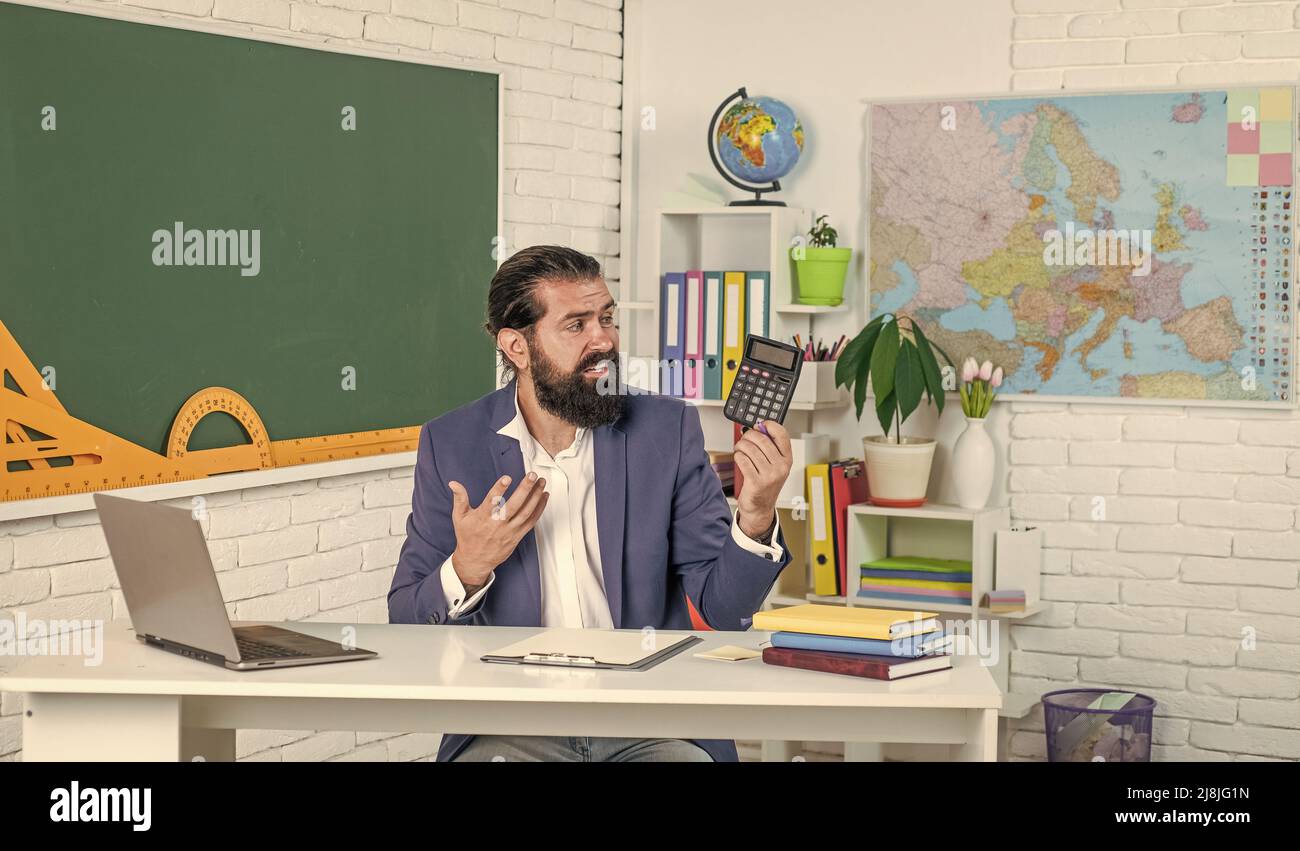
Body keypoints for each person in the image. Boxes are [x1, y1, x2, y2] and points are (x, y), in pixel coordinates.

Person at [388, 245, 794, 762]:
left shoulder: (666, 430)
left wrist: (755, 516)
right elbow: (405, 619)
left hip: (651, 718)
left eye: (606, 318)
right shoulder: (451, 443)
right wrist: (468, 567)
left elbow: (724, 610)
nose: (603, 339)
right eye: (576, 325)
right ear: (518, 346)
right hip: (509, 724)